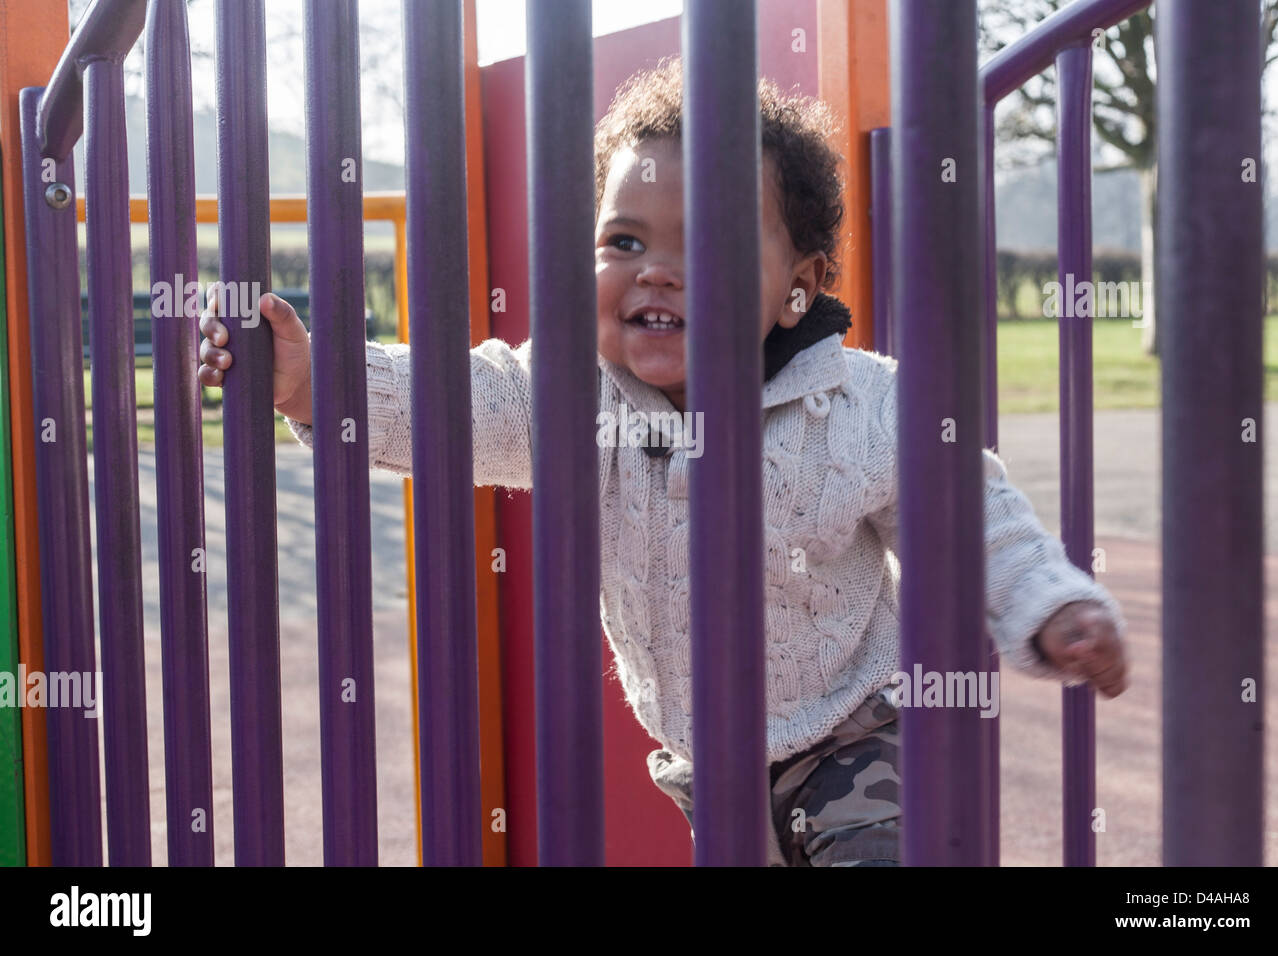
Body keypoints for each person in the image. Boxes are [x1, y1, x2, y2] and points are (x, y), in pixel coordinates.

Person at [197, 56, 1128, 866]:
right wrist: (313, 380)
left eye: (708, 243)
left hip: (860, 731)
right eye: (624, 241)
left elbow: (973, 517)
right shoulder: (569, 394)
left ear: (798, 286)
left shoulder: (868, 405)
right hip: (709, 763)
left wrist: (1053, 605)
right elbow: (453, 401)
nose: (656, 270)